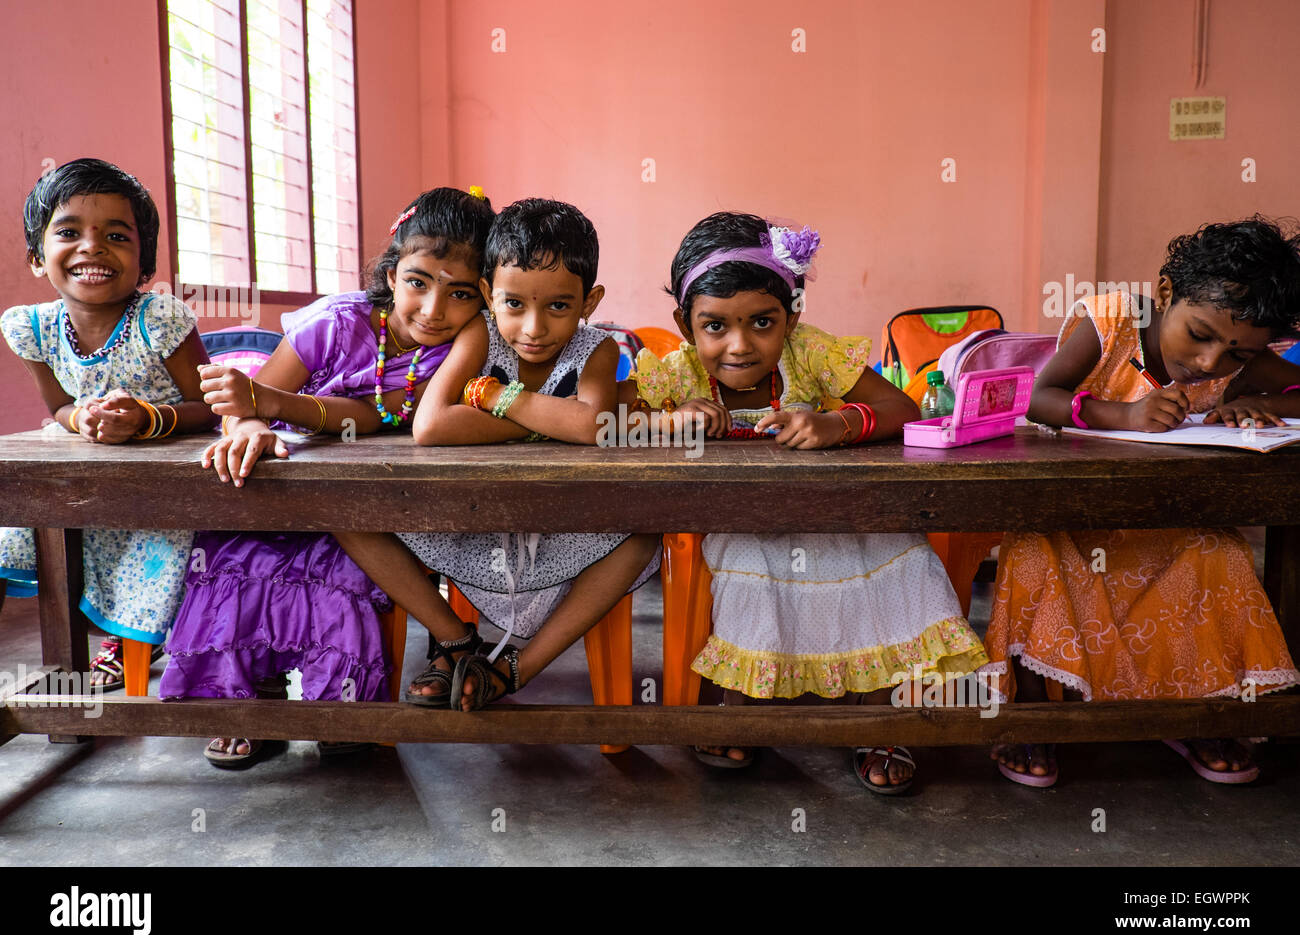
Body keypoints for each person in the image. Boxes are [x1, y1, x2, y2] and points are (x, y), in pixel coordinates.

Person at [624, 211, 989, 793]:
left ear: (792, 319)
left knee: (900, 562)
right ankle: (743, 707)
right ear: (685, 323)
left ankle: (879, 717)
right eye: (714, 326)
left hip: (839, 515)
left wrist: (835, 424)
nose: (739, 345)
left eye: (762, 323)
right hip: (740, 527)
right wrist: (671, 421)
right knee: (749, 577)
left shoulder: (813, 354)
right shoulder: (676, 373)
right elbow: (614, 426)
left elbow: (903, 411)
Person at [159, 186, 496, 767]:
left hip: (368, 509)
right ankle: (251, 702)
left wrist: (275, 407)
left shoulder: (464, 347)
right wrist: (247, 425)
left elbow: (372, 416)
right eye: (418, 281)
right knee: (237, 557)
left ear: (484, 295)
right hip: (292, 487)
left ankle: (341, 705)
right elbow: (254, 396)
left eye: (460, 292)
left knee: (346, 567)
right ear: (391, 275)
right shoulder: (338, 325)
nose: (434, 309)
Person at [984, 216, 1300, 787]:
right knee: (1031, 553)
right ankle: (1033, 714)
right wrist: (1121, 415)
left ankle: (1200, 708)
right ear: (1163, 294)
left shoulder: (1236, 365)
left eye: (1238, 356)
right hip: (1071, 521)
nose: (1209, 364)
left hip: (1168, 527)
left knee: (1218, 552)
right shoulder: (1111, 320)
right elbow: (1040, 397)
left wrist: (1252, 395)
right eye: (1199, 334)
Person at [335, 198, 660, 713]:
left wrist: (496, 399)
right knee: (351, 516)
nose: (533, 328)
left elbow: (593, 426)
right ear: (489, 294)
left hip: (562, 530)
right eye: (515, 304)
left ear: (589, 302)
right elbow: (432, 426)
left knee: (643, 536)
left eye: (558, 306)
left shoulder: (597, 350)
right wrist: (552, 423)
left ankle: (517, 668)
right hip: (469, 526)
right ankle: (455, 638)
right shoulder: (479, 333)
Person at [0, 158, 215, 687]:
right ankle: (69, 659)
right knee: (14, 522)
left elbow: (208, 408)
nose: (92, 247)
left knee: (156, 548)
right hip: (84, 465)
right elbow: (57, 409)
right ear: (36, 256)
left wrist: (147, 419)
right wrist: (84, 419)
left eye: (116, 235)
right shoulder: (30, 328)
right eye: (68, 232)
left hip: (165, 472)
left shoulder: (160, 319)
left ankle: (138, 640)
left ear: (144, 262)